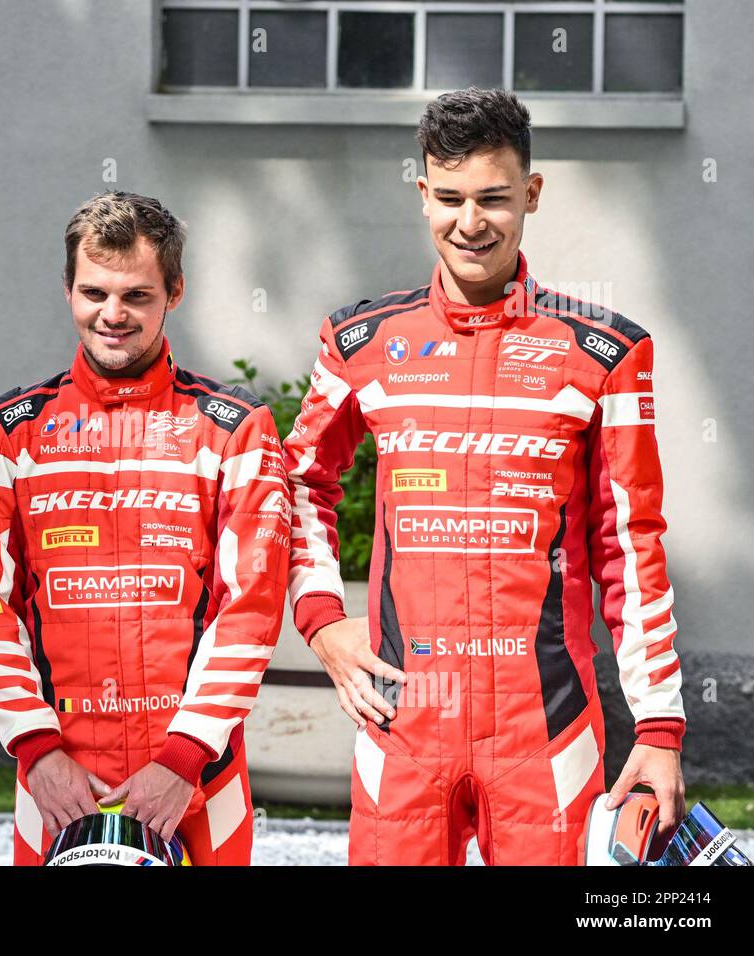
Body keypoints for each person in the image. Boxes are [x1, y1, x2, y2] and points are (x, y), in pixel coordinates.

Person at [284, 88, 685, 865]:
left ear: (532, 194)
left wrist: (661, 726)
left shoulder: (607, 351)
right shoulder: (360, 342)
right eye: (451, 198)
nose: (471, 223)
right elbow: (298, 483)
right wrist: (324, 623)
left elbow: (632, 546)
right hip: (408, 717)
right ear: (423, 194)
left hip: (545, 724)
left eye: (495, 199)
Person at [0, 192, 290, 865]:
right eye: (94, 292)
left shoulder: (234, 430)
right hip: (59, 780)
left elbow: (251, 605)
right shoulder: (10, 431)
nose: (112, 315)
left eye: (137, 295)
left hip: (197, 778)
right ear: (67, 290)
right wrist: (37, 749)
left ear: (175, 291)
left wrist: (186, 754)